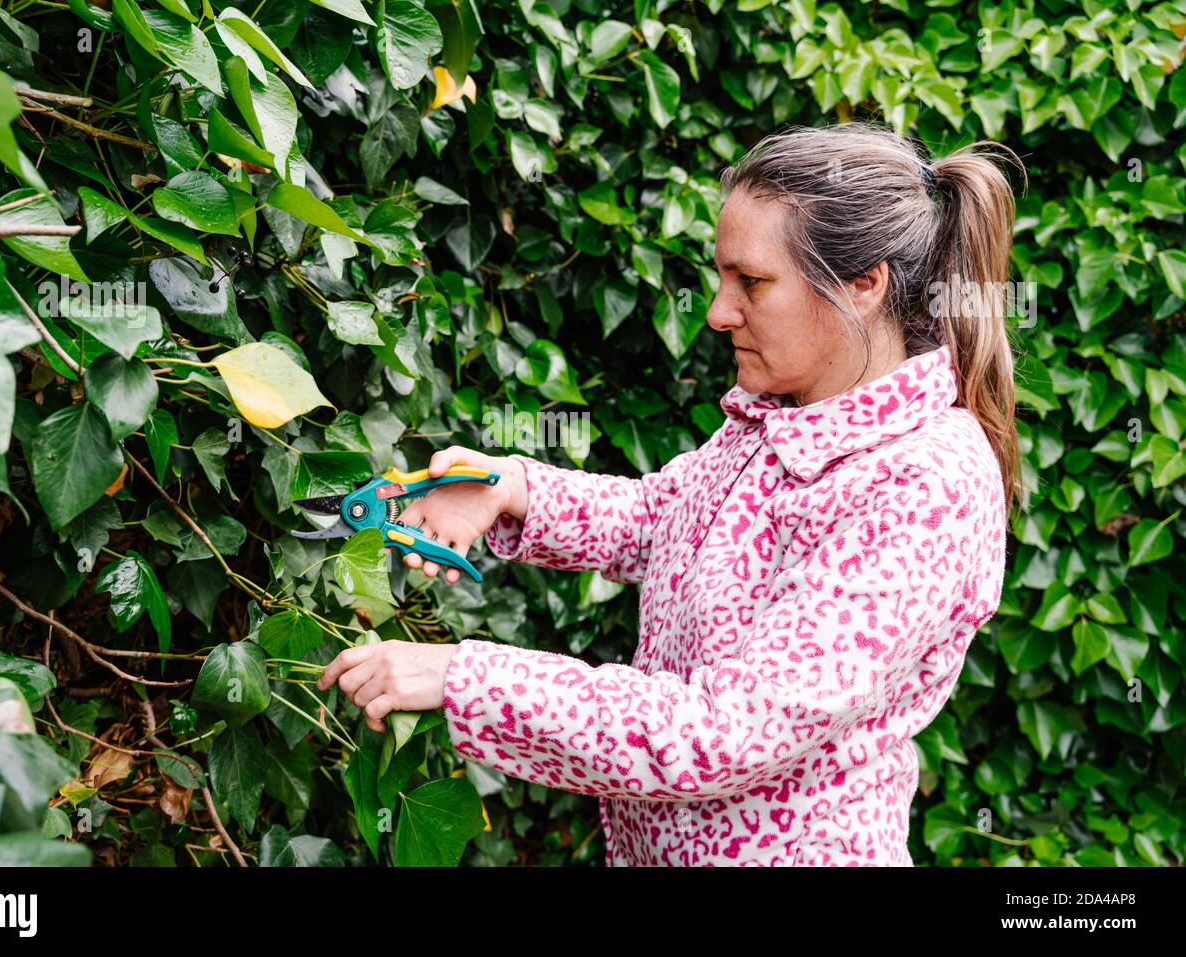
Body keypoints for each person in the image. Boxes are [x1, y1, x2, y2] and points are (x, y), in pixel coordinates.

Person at [318, 121, 1024, 866]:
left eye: (751, 282)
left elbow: (725, 730)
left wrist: (466, 677)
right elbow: (664, 519)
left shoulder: (925, 482)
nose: (720, 313)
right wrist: (513, 488)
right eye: (722, 278)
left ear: (863, 283)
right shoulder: (784, 411)